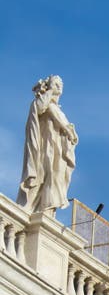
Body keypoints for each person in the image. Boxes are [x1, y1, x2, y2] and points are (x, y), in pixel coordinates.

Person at [17, 75, 78, 214]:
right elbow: (39, 108)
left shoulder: (58, 110)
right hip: (45, 149)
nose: (60, 85)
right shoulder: (42, 103)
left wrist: (70, 134)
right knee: (43, 176)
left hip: (57, 152)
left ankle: (48, 212)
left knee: (56, 178)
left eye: (60, 83)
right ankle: (33, 208)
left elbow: (67, 130)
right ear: (48, 86)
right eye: (56, 83)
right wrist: (49, 91)